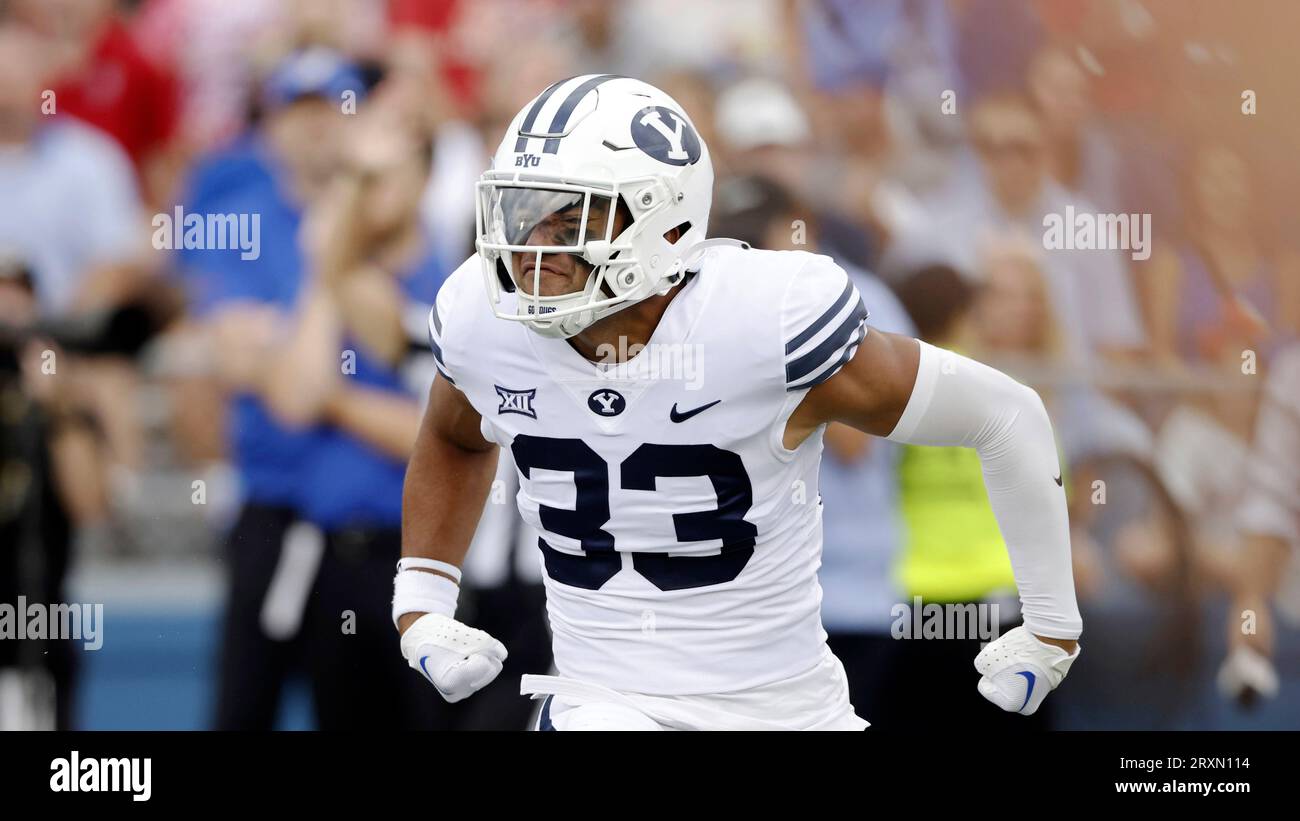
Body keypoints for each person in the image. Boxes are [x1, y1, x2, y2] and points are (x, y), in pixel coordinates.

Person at [394, 76, 1082, 730]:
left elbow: (1005, 413)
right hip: (601, 698)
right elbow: (455, 434)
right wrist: (422, 599)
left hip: (778, 707)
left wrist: (1050, 623)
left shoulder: (763, 322)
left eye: (568, 218)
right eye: (522, 211)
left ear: (663, 224)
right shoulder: (485, 320)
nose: (532, 248)